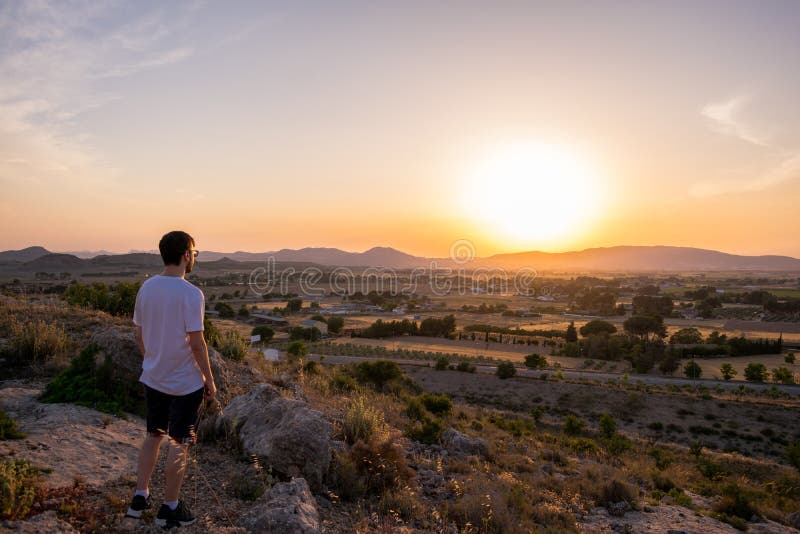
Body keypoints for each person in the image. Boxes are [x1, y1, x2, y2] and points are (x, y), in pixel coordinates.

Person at [125, 230, 217, 528]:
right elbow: (197, 343)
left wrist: (152, 359)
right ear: (186, 255)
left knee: (153, 434)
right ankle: (170, 508)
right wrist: (209, 380)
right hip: (184, 384)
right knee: (178, 444)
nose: (194, 257)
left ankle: (140, 497)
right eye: (194, 252)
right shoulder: (191, 294)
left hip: (154, 378)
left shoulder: (147, 287)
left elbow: (139, 332)